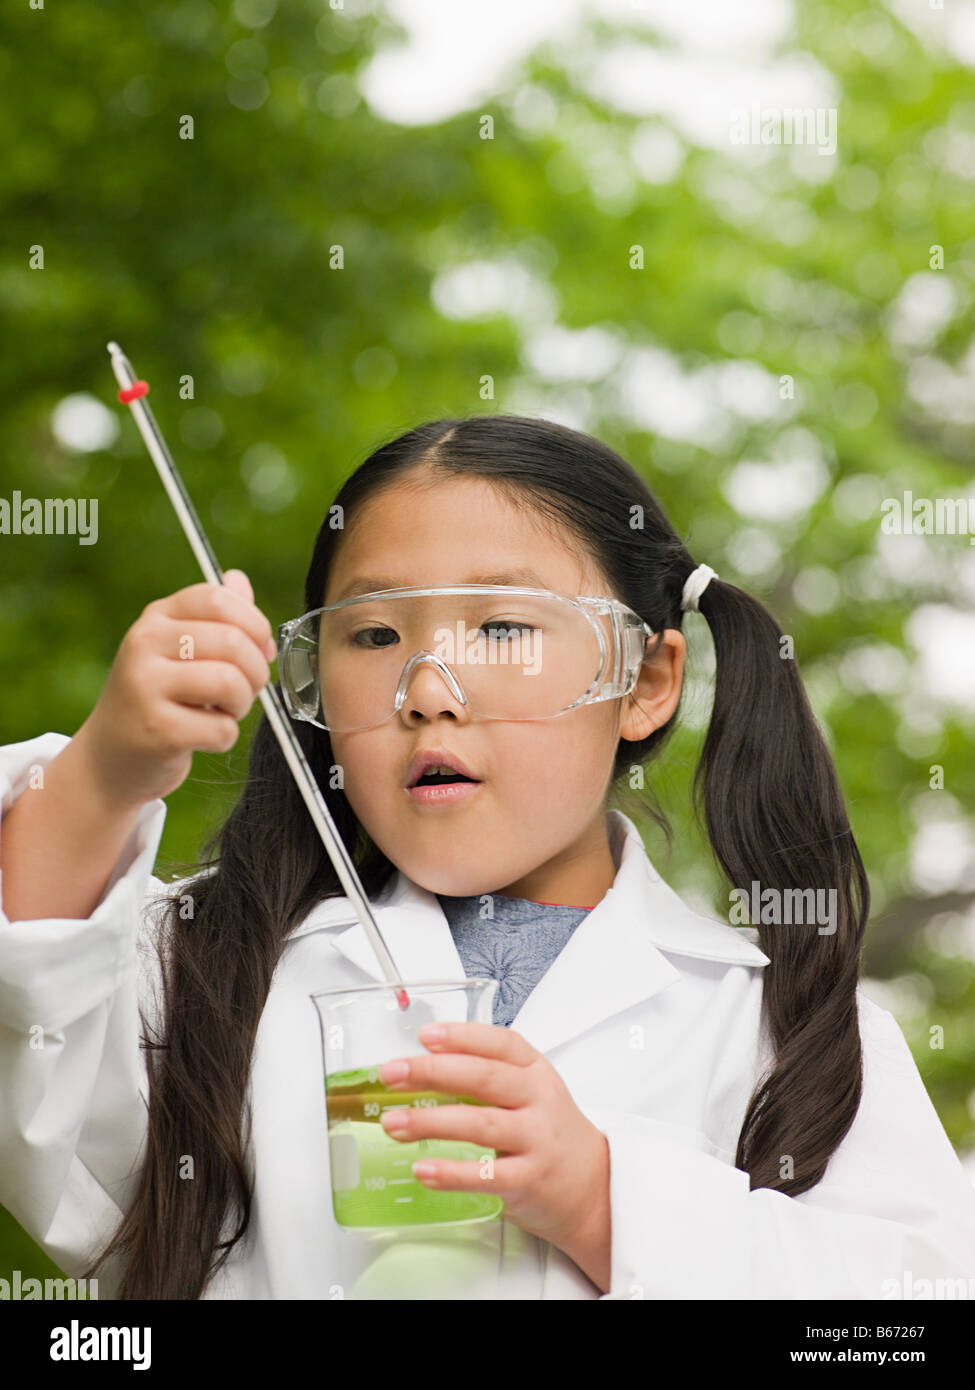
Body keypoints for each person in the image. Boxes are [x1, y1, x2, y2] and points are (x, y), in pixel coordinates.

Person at [1, 413, 974, 1301]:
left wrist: (603, 1198)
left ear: (644, 679)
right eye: (375, 633)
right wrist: (102, 775)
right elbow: (29, 1023)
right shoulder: (207, 967)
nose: (427, 689)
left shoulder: (789, 1027)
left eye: (502, 627)